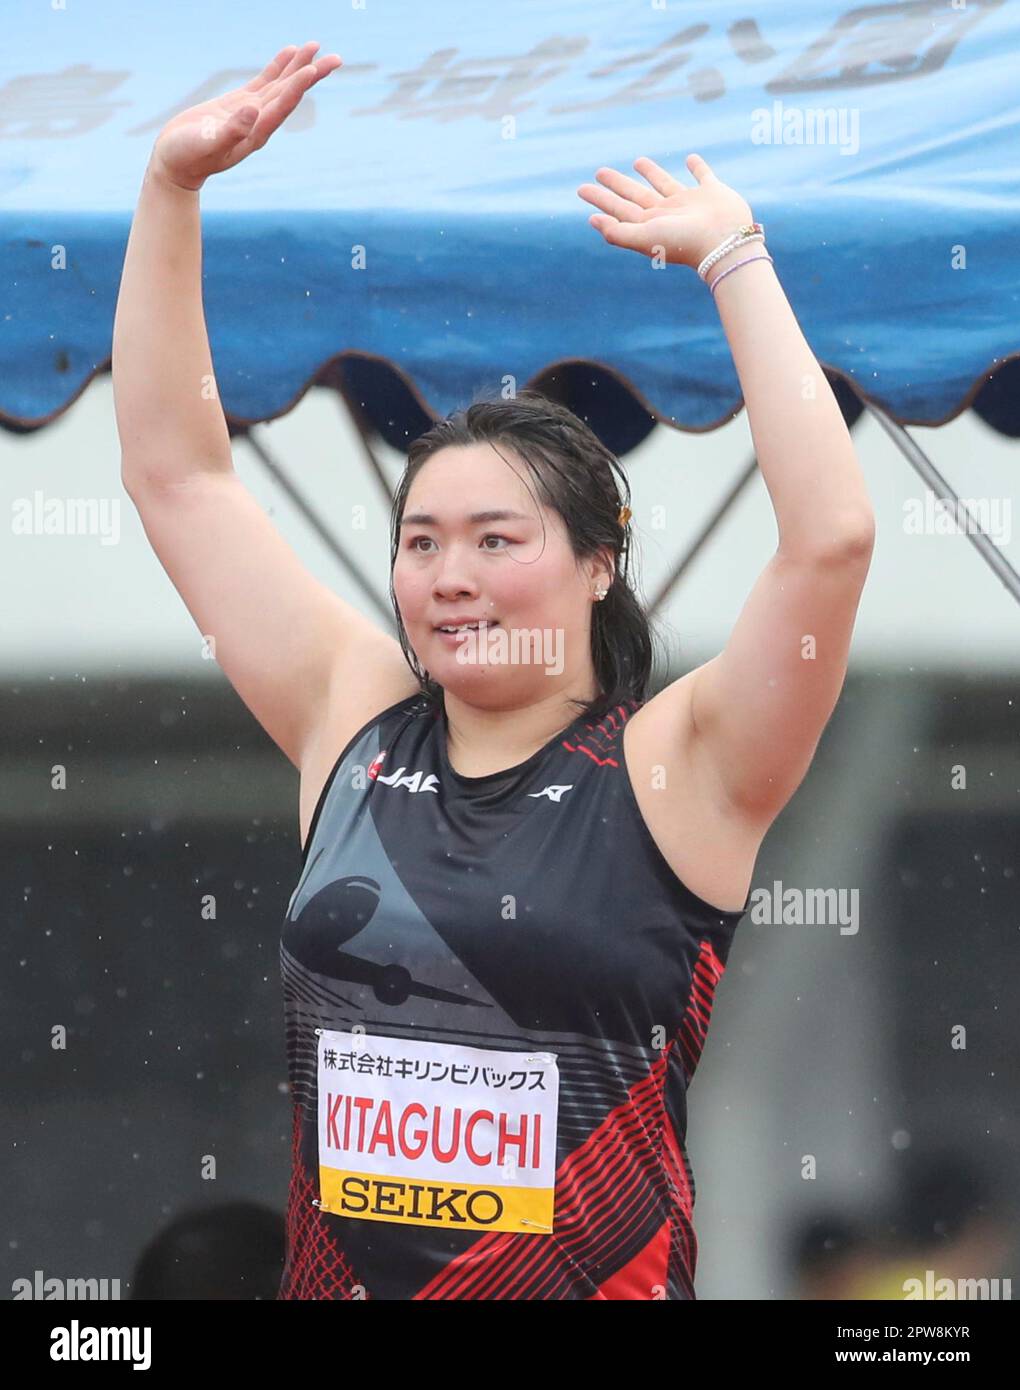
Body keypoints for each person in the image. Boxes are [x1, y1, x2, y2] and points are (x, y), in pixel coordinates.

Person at [113, 42, 875, 1300]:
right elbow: (178, 476)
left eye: (494, 540)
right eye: (421, 542)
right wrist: (168, 187)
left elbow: (832, 541)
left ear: (596, 565)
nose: (447, 574)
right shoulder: (351, 720)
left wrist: (734, 255)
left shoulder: (682, 767)